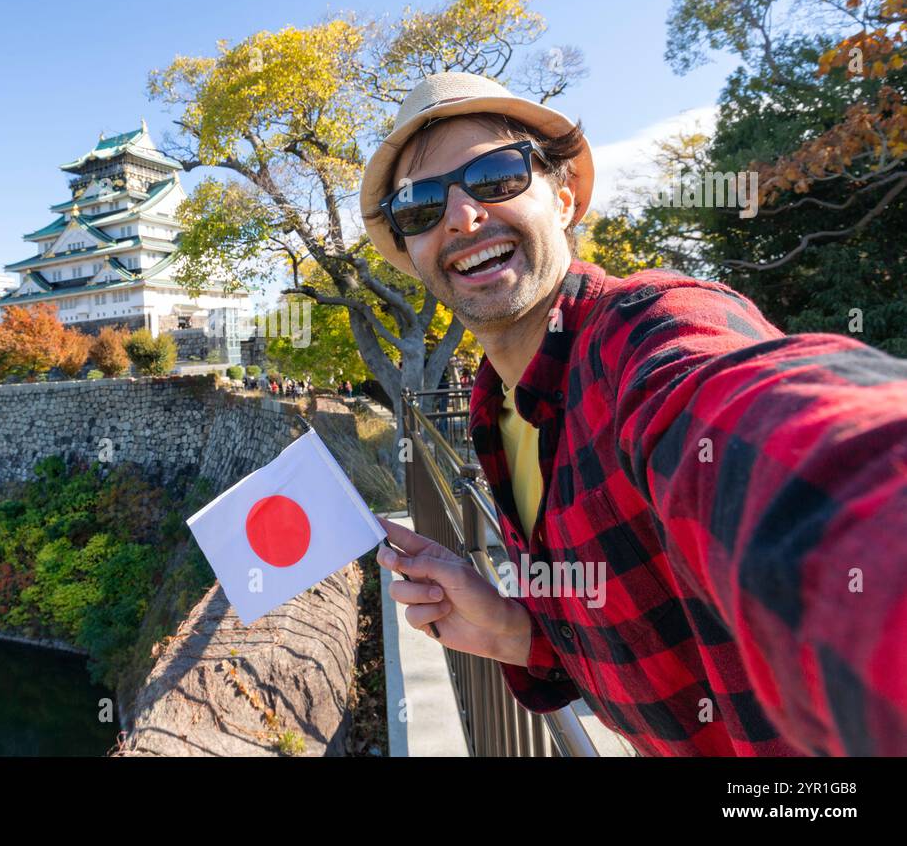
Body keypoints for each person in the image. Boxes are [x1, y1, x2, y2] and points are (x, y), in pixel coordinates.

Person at [360, 71, 907, 756]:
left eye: (497, 176)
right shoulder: (493, 413)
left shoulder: (649, 331)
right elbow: (644, 626)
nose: (463, 215)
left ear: (562, 199)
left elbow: (775, 431)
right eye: (420, 205)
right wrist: (517, 633)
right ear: (412, 250)